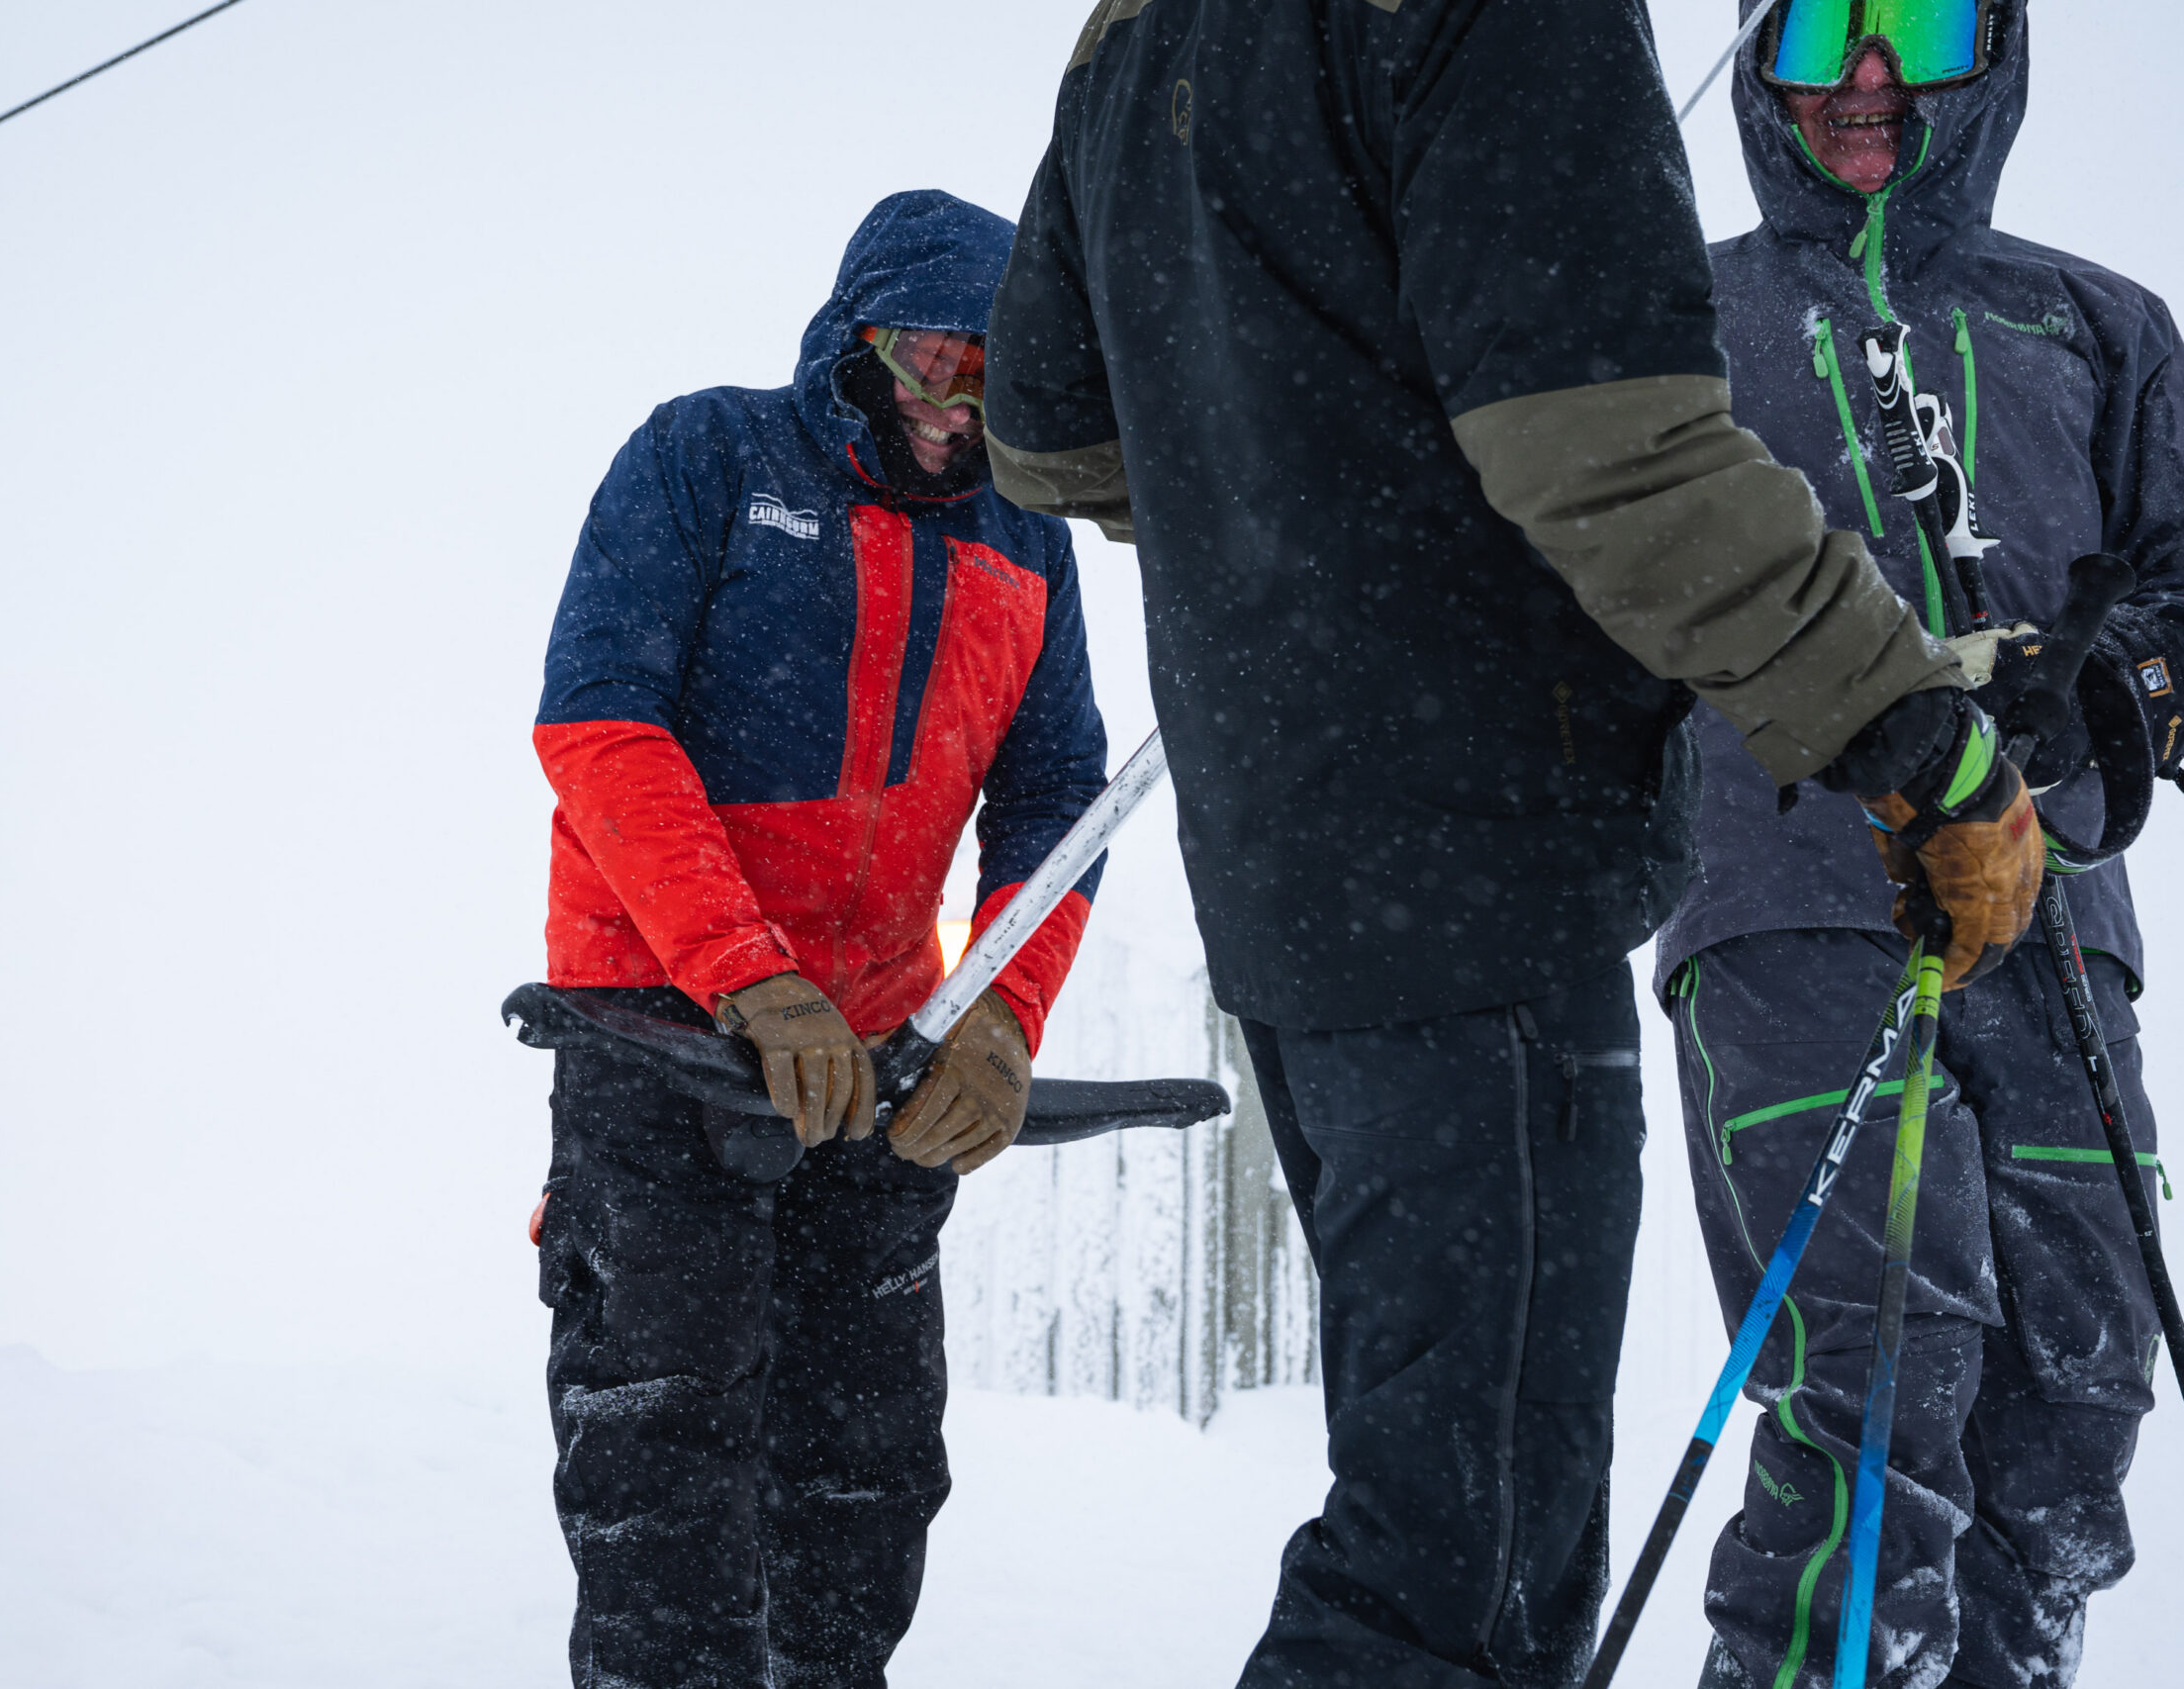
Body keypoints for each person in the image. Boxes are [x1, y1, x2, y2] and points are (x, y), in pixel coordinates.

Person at [985, 2, 2044, 1685]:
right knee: (1455, 1577)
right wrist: (1915, 732)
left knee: (1451, 1520)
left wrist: (1285, 493)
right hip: (1471, 861)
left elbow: (1043, 424)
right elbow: (1613, 450)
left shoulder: (1135, 32)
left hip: (1297, 881)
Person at [1652, 4, 2180, 1684]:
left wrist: (2114, 704)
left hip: (2058, 901)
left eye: (1923, 24)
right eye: (1819, 29)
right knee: (1884, 1362)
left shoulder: (2095, 325)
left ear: (1995, 55)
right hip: (1786, 874)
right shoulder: (1681, 314)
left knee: (2080, 1376)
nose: (1865, 78)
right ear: (1758, 61)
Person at [530, 188, 1108, 1689]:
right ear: (855, 334)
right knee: (668, 1473)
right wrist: (747, 972)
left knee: (863, 1481)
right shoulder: (706, 459)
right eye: (930, 360)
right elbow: (601, 728)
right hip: (660, 1041)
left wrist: (1000, 1017)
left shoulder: (1029, 540)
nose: (953, 407)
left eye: (992, 375)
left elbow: (1056, 798)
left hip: (878, 1072)